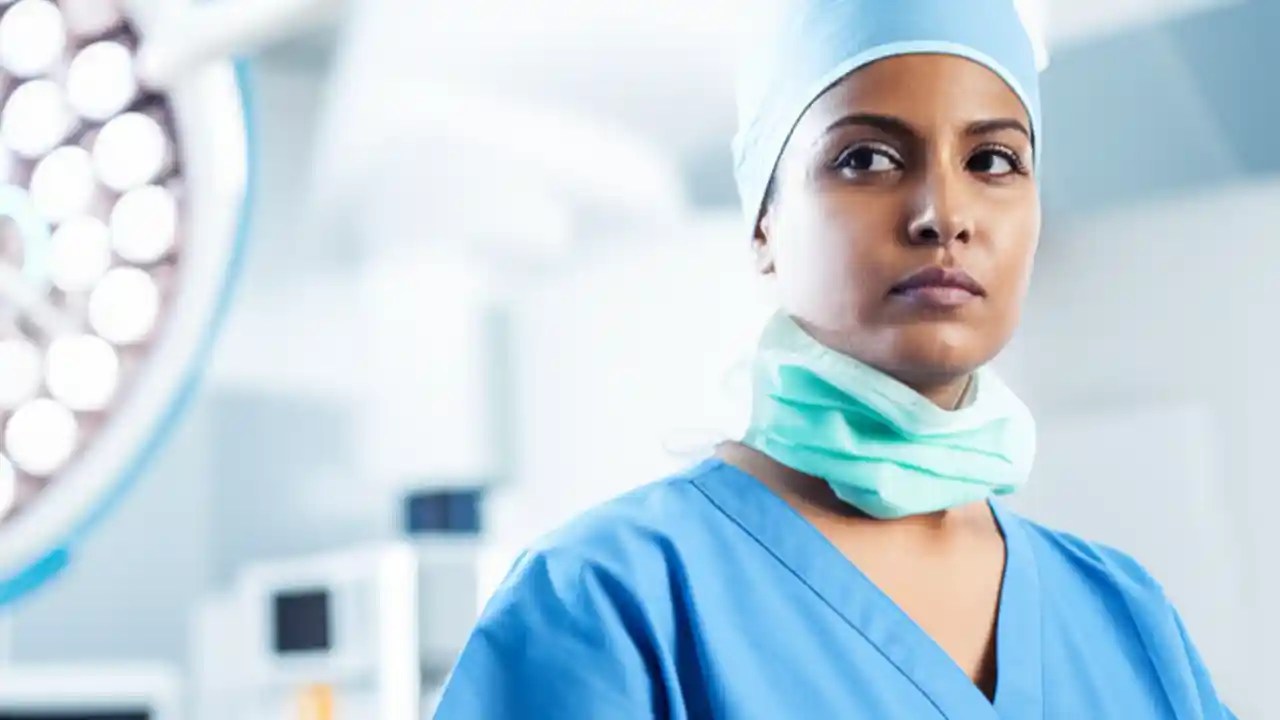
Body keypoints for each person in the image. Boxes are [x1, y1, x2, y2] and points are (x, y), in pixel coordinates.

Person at [433, 1, 1236, 717]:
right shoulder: (611, 605)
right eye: (866, 159)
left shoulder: (1125, 617)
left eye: (993, 161)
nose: (943, 215)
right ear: (764, 225)